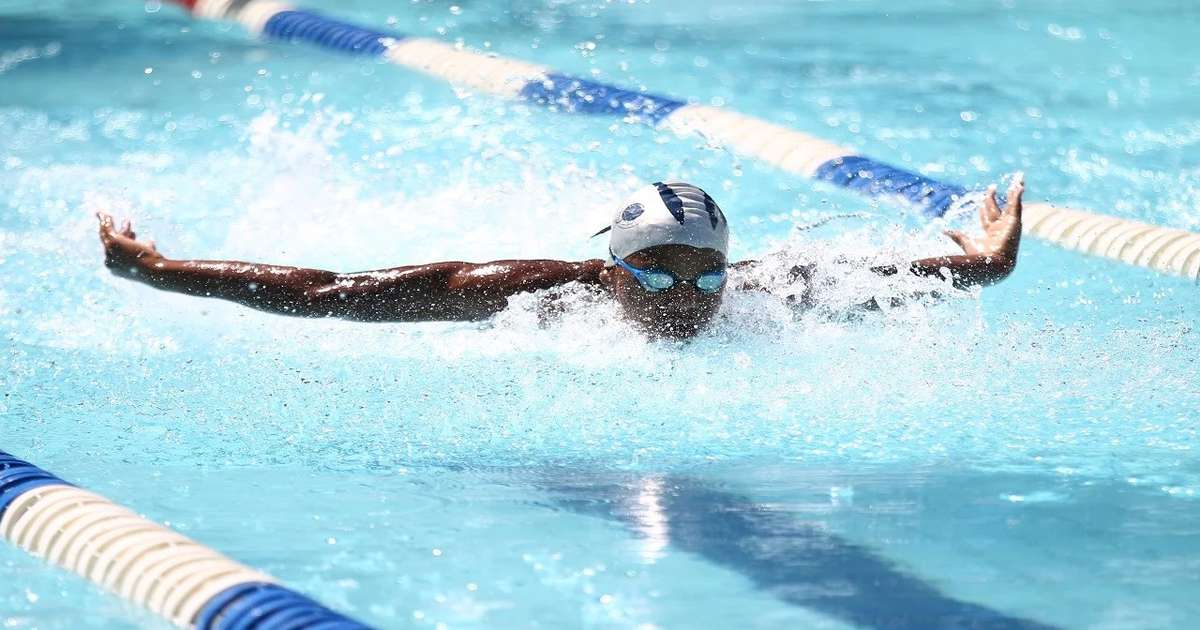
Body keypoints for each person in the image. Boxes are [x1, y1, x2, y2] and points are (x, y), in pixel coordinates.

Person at [97, 174, 1025, 339]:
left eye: (704, 274)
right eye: (654, 274)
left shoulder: (764, 294)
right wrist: (163, 271)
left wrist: (988, 264)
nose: (685, 299)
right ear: (614, 269)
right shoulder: (532, 294)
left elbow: (917, 279)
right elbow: (331, 292)